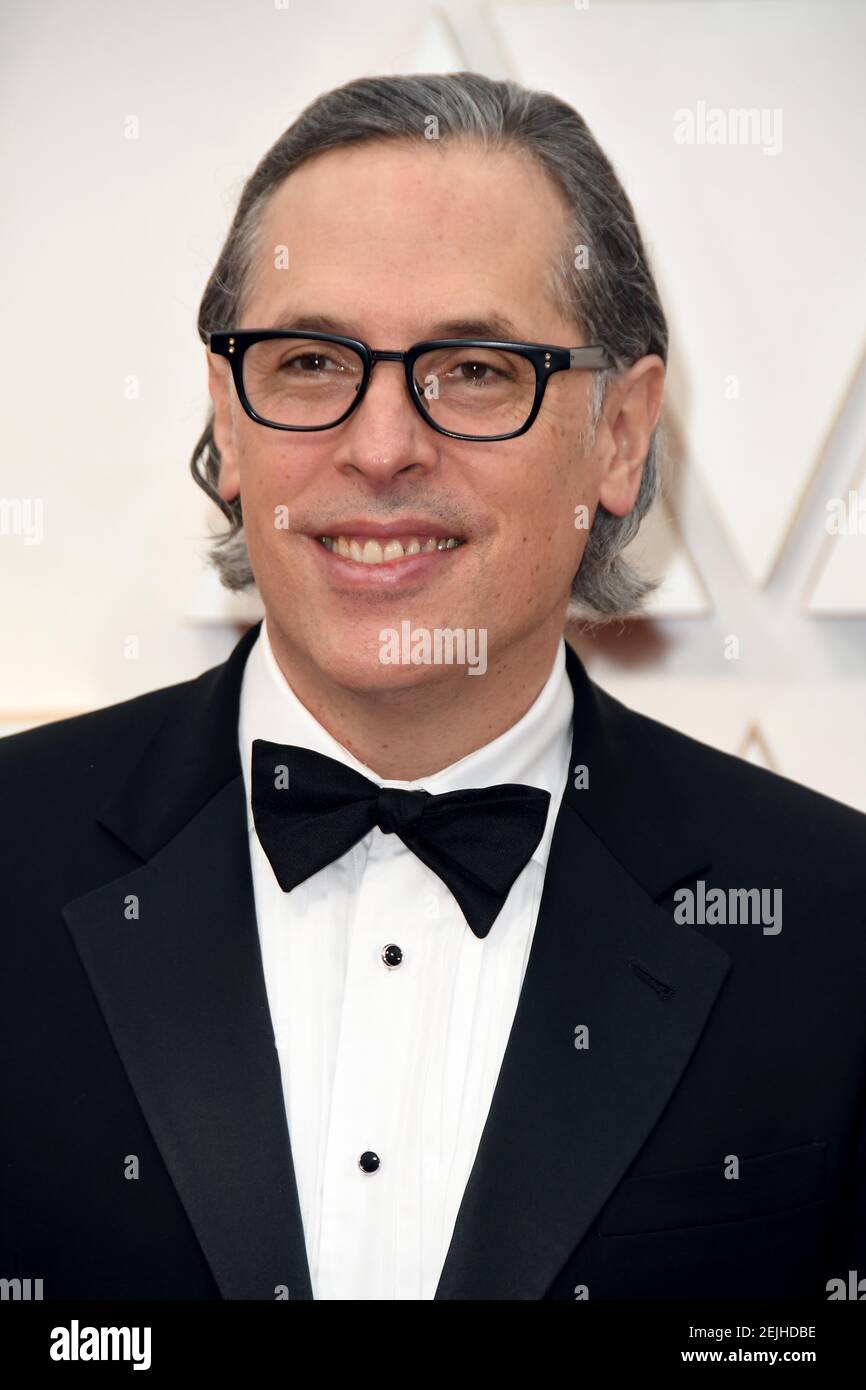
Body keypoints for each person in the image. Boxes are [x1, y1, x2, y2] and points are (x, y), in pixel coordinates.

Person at [2, 71, 864, 1302]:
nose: (382, 444)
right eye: (309, 360)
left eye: (471, 369)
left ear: (617, 436)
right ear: (227, 423)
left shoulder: (831, 924)